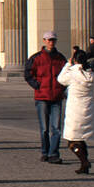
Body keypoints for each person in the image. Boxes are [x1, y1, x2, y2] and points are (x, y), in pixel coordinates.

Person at [25, 32, 68, 164]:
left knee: (56, 128)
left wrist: (62, 88)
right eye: (49, 40)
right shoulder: (36, 58)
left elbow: (67, 74)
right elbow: (28, 74)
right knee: (44, 128)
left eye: (53, 40)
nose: (51, 42)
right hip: (42, 96)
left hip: (56, 96)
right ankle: (45, 151)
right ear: (44, 41)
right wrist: (37, 85)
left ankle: (53, 153)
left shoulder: (60, 58)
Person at [58, 49, 94, 174]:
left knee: (72, 142)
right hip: (88, 109)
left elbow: (61, 79)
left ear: (75, 60)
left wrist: (68, 65)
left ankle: (84, 161)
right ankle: (84, 165)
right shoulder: (93, 74)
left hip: (75, 110)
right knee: (81, 139)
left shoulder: (73, 74)